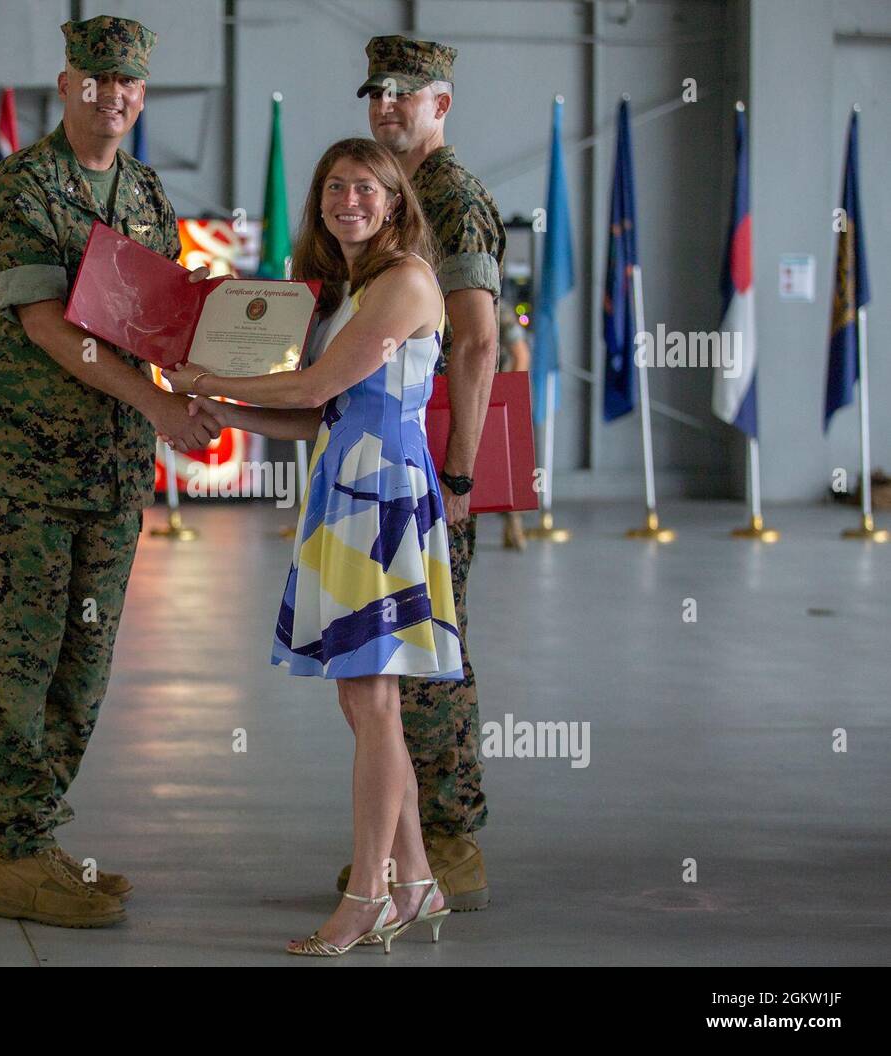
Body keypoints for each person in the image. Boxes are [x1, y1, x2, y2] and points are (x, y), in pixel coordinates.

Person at [0, 14, 224, 928]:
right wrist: (158, 407)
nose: (113, 96)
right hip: (21, 466)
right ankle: (16, 852)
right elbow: (46, 327)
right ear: (66, 85)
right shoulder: (19, 191)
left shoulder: (144, 193)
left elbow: (160, 318)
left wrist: (221, 357)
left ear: (143, 95)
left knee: (83, 664)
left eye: (129, 84)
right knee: (17, 658)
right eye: (96, 80)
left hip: (108, 476)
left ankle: (37, 839)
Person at [163, 138, 460, 956]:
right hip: (346, 485)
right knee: (364, 699)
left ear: (396, 202)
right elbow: (312, 415)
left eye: (366, 187)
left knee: (371, 700)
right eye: (335, 187)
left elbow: (317, 386)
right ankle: (417, 880)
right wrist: (229, 416)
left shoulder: (403, 282)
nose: (348, 200)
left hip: (382, 496)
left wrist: (206, 384)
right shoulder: (351, 290)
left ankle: (366, 896)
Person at [355, 35, 505, 908]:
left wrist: (457, 478)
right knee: (396, 651)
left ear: (440, 106)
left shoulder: (449, 196)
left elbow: (478, 339)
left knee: (430, 654)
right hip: (391, 468)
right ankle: (409, 848)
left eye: (406, 94)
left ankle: (447, 845)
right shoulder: (394, 193)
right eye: (377, 91)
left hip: (429, 472)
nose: (387, 106)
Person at [498, 299, 531, 549]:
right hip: (474, 400)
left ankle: (514, 527)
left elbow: (521, 355)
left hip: (497, 401)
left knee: (508, 471)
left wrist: (509, 401)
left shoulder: (501, 310)